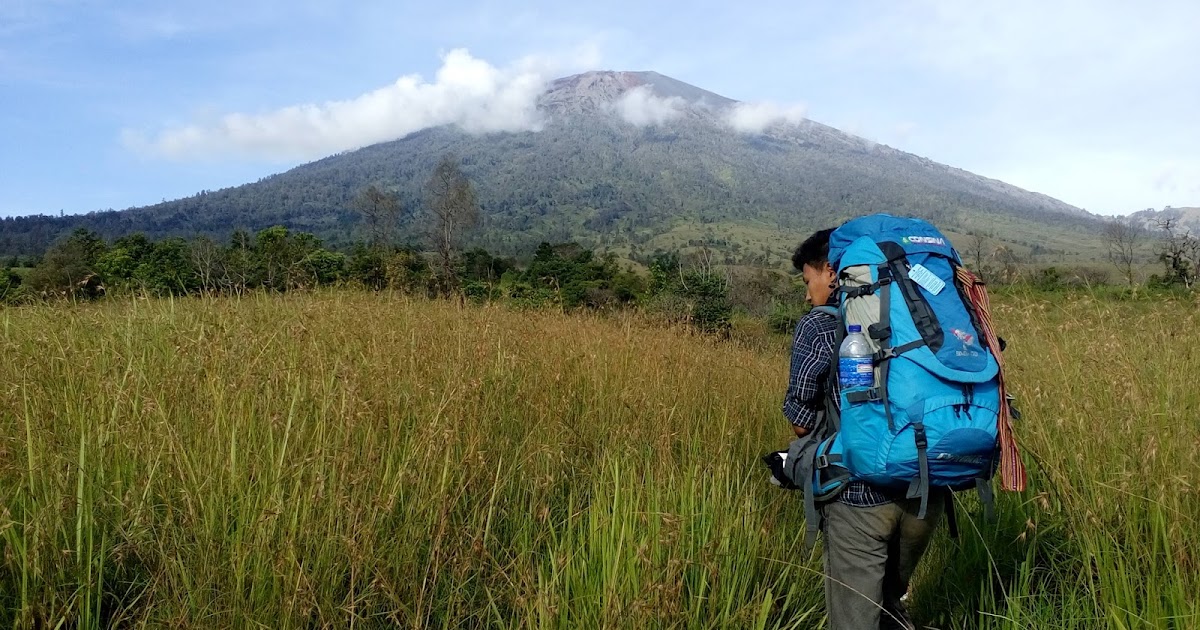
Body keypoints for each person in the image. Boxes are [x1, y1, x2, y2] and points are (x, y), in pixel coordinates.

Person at [783, 228, 943, 630]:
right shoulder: (922, 314)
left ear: (831, 272)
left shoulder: (818, 325)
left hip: (859, 495)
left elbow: (800, 421)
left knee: (856, 618)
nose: (808, 294)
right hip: (926, 489)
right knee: (889, 605)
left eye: (809, 281)